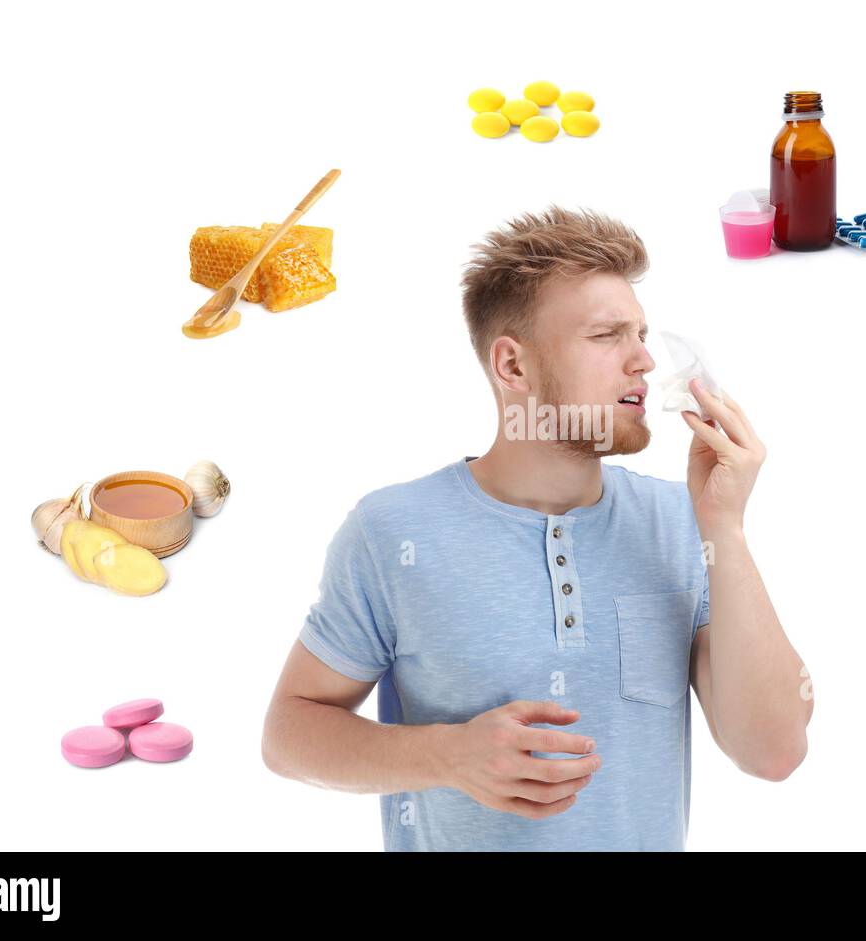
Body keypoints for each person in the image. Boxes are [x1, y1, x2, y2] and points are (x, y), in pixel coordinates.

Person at [261, 207, 811, 851]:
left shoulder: (683, 523)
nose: (643, 361)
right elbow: (288, 735)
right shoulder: (391, 532)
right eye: (607, 335)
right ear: (513, 367)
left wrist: (726, 528)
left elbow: (773, 752)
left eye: (640, 334)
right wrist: (449, 755)